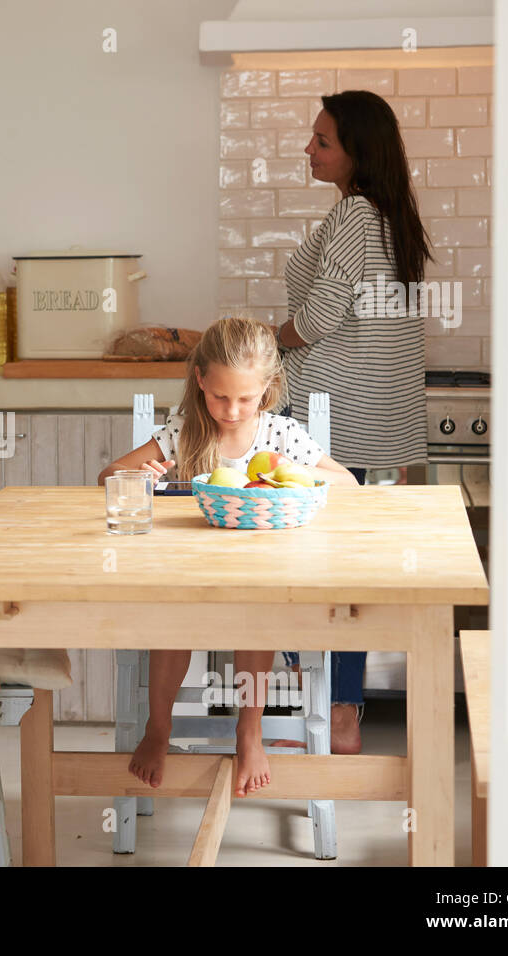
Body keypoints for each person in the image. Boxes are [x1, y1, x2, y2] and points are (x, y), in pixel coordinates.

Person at [97, 317, 359, 797]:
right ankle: (159, 727)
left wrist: (292, 469)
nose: (233, 410)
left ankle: (250, 729)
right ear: (200, 381)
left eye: (245, 398)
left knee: (254, 617)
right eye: (221, 397)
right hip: (190, 577)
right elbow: (109, 474)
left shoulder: (281, 436)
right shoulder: (185, 431)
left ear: (268, 389)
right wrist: (144, 479)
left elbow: (348, 483)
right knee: (172, 620)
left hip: (263, 580)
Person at [274, 90, 433, 753]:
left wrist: (264, 339)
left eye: (322, 142)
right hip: (368, 417)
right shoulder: (390, 217)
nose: (309, 150)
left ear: (356, 151)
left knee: (299, 561)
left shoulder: (356, 215)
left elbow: (314, 322)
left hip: (328, 417)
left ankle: (328, 714)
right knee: (338, 567)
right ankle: (335, 713)